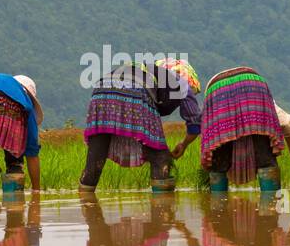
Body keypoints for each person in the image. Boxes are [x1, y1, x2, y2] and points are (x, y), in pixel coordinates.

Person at [80, 58, 201, 193]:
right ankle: (162, 207)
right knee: (161, 158)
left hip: (100, 91)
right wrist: (183, 145)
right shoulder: (181, 81)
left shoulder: (149, 70)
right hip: (135, 89)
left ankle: (86, 199)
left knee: (96, 157)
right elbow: (195, 123)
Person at [199, 67, 290, 193]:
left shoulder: (212, 98)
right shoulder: (258, 94)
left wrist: (209, 160)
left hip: (216, 90)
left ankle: (218, 206)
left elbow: (208, 134)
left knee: (218, 165)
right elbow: (286, 122)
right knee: (265, 160)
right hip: (252, 83)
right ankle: (270, 205)